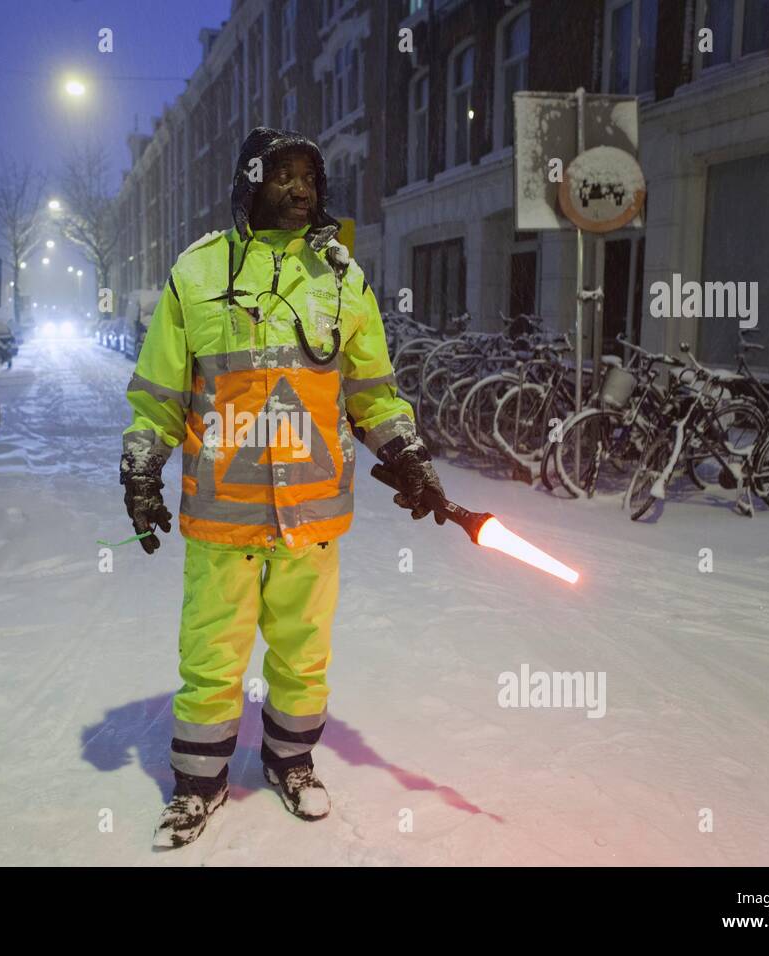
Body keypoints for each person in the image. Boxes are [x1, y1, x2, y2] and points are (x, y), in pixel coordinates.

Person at [121, 127, 445, 849]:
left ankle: (290, 762)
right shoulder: (196, 273)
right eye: (286, 176)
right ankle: (198, 785)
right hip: (223, 512)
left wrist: (409, 454)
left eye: (313, 178)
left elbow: (374, 391)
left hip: (313, 509)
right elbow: (157, 395)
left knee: (304, 650)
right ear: (249, 181)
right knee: (211, 654)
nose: (304, 190)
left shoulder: (341, 277)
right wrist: (141, 467)